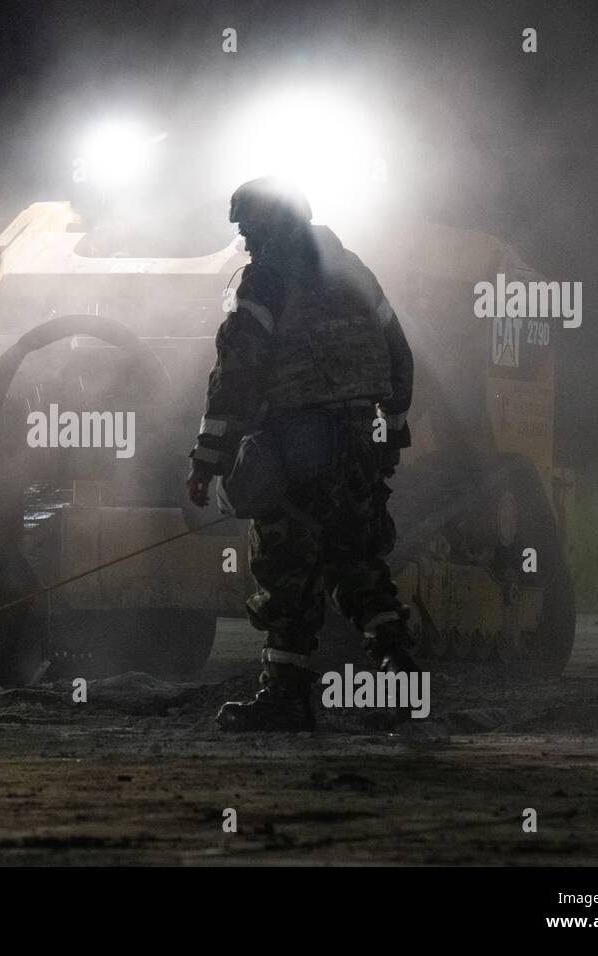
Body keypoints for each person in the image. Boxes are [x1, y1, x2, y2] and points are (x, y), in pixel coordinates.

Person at [186, 177, 416, 732]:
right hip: (361, 442)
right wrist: (393, 431)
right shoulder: (353, 271)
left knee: (287, 569)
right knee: (357, 561)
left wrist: (207, 459)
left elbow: (236, 377)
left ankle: (285, 698)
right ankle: (401, 675)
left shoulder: (265, 281)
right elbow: (398, 351)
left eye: (248, 228)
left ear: (270, 226)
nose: (243, 241)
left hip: (298, 446)